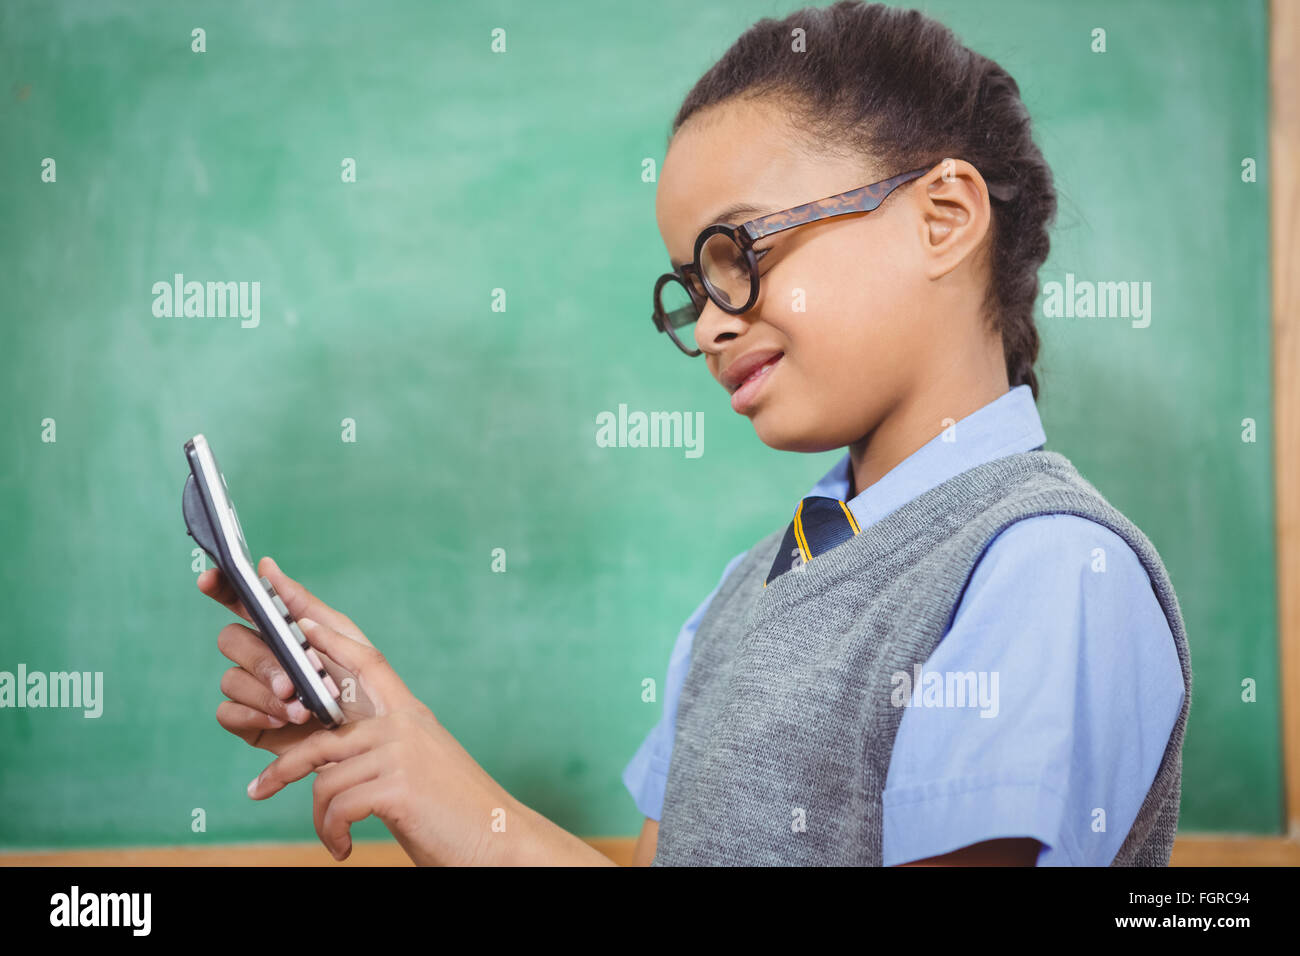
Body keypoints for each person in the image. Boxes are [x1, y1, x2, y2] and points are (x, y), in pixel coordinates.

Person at [203, 0, 1190, 866]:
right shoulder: (745, 592)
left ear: (942, 218)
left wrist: (444, 788)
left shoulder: (1048, 566)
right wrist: (407, 755)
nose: (712, 324)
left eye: (738, 252)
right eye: (692, 286)